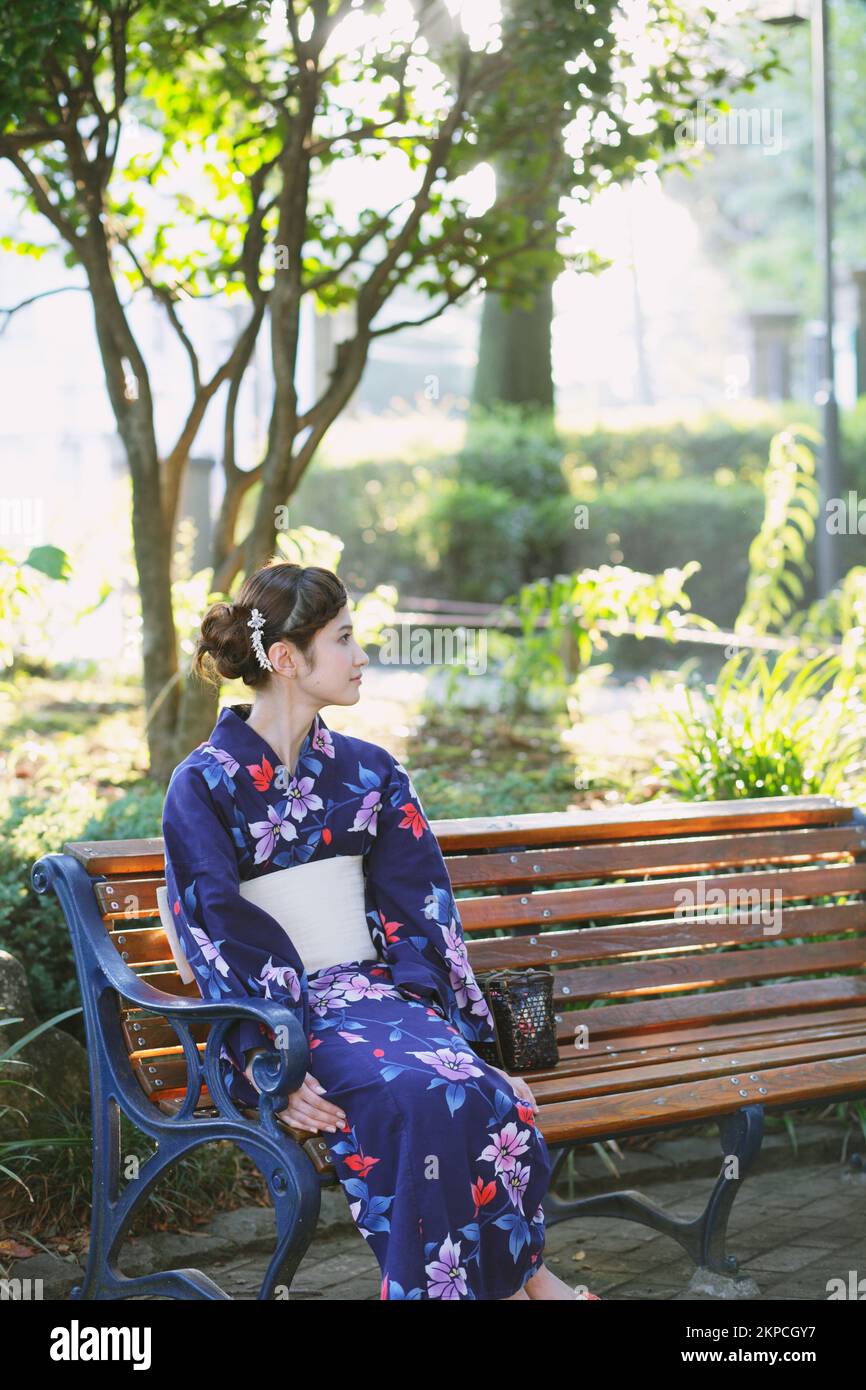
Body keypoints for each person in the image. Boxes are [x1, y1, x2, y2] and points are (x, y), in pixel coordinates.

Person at [161, 559, 600, 1302]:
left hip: (380, 999)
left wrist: (446, 1023)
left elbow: (419, 903)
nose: (362, 656)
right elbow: (212, 928)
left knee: (492, 1094)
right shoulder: (203, 783)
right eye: (345, 638)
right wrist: (274, 1056)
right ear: (287, 659)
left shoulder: (370, 773)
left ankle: (524, 1285)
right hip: (284, 1012)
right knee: (416, 1102)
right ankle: (518, 1291)